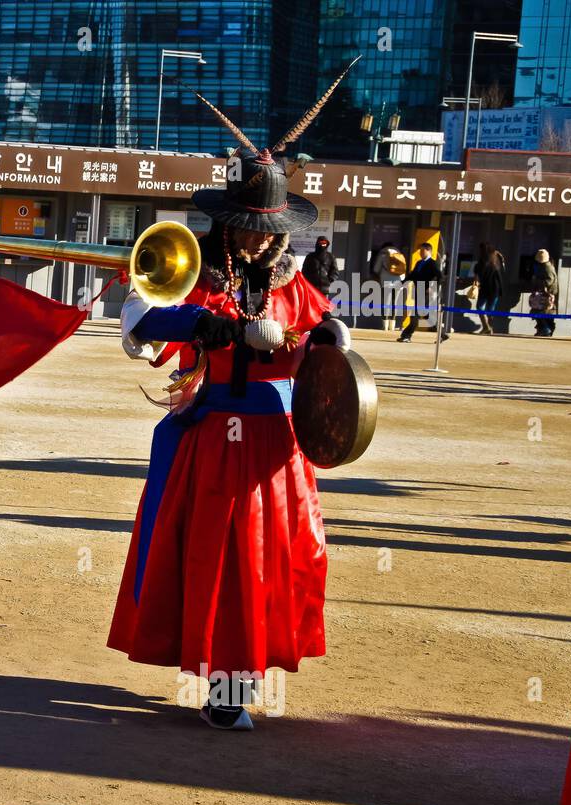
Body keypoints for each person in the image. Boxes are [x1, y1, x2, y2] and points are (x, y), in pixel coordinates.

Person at [109, 69, 356, 731]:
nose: (257, 239)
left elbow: (326, 337)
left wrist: (326, 332)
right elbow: (137, 322)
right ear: (226, 222)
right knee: (212, 556)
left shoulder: (292, 281)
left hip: (276, 447)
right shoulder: (195, 271)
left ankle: (239, 677)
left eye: (267, 230)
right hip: (212, 436)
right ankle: (222, 685)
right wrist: (207, 324)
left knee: (265, 562)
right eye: (246, 228)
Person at [397, 243, 443, 342]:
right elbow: (412, 275)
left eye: (423, 251)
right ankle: (442, 334)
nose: (421, 253)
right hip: (418, 291)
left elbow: (440, 277)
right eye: (420, 251)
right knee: (426, 315)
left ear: (429, 251)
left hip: (426, 293)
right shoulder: (419, 263)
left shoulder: (433, 263)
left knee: (415, 314)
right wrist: (400, 284)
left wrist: (432, 287)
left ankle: (406, 335)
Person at [369, 241, 405, 327]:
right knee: (395, 303)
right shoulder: (399, 254)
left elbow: (376, 269)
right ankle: (392, 325)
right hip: (398, 281)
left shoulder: (382, 254)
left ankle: (385, 326)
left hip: (386, 281)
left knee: (386, 303)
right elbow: (403, 271)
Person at [474, 248, 504, 335]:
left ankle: (486, 327)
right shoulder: (496, 265)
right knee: (490, 310)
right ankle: (489, 328)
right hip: (495, 290)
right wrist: (501, 291)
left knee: (480, 307)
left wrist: (476, 284)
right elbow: (500, 279)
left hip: (484, 289)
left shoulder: (479, 265)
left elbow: (476, 278)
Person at [530, 249, 558, 337]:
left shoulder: (547, 267)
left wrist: (536, 280)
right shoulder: (546, 266)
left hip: (546, 294)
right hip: (545, 294)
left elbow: (549, 281)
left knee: (542, 312)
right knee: (542, 312)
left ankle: (546, 329)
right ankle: (544, 329)